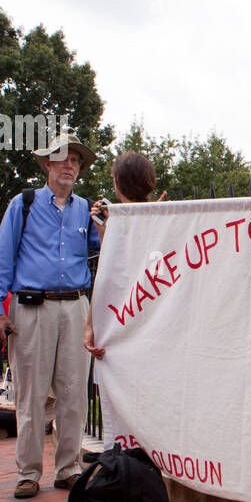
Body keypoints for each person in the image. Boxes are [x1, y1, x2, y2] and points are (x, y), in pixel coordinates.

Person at [0, 132, 100, 498]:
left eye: (76, 160)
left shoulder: (87, 209)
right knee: (31, 394)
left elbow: (107, 249)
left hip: (76, 304)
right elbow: (3, 256)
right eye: (62, 158)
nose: (69, 165)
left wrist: (112, 220)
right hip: (32, 306)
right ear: (47, 164)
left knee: (73, 393)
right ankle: (28, 471)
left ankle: (68, 467)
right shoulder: (24, 203)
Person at [84, 150, 159, 359]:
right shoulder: (162, 219)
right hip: (156, 316)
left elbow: (107, 276)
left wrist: (90, 323)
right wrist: (103, 230)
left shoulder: (120, 224)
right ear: (150, 182)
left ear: (117, 184)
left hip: (120, 318)